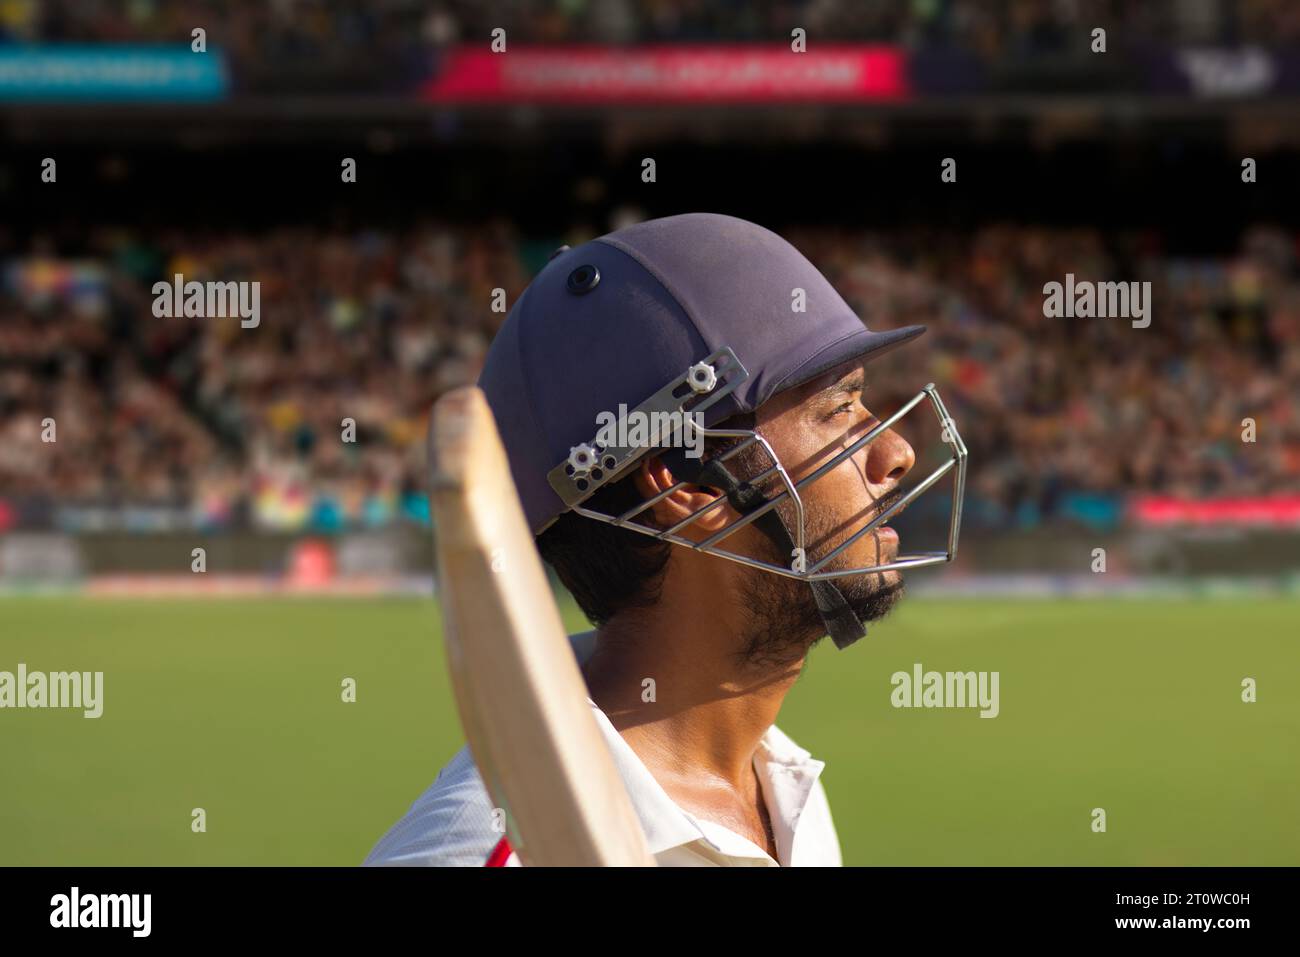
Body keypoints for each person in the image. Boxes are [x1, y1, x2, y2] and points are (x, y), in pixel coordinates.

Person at [365, 212, 966, 866]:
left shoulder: (780, 789)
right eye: (837, 409)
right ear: (680, 485)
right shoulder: (494, 853)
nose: (897, 451)